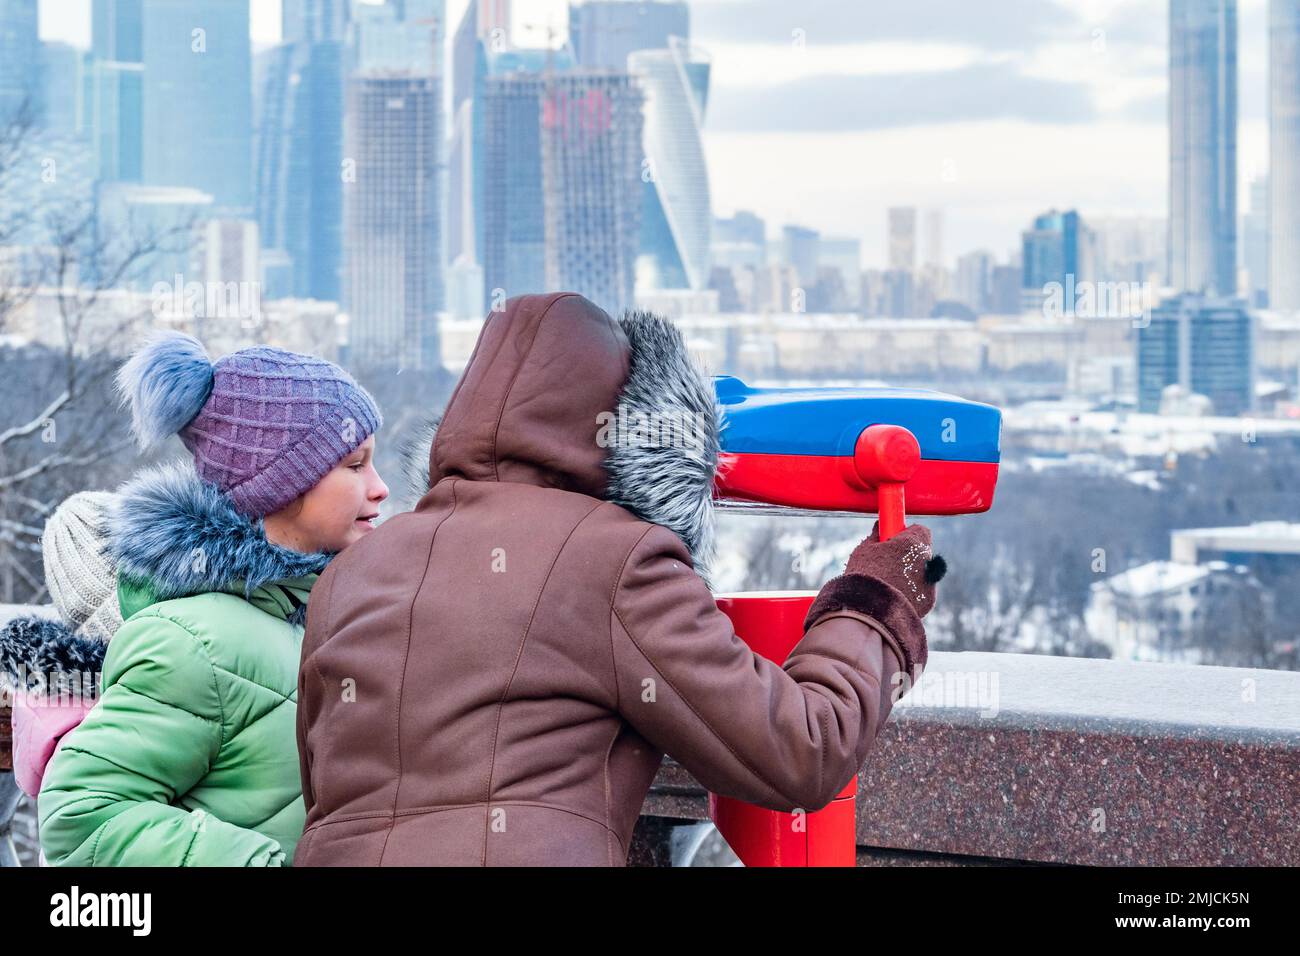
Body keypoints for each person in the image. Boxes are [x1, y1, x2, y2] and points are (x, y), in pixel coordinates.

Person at [295, 292, 944, 866]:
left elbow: (324, 784)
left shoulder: (354, 572)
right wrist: (876, 603)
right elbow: (803, 750)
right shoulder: (613, 558)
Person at [37, 332, 388, 866]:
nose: (381, 487)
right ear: (281, 484)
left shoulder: (323, 618)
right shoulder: (190, 641)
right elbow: (82, 816)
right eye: (355, 465)